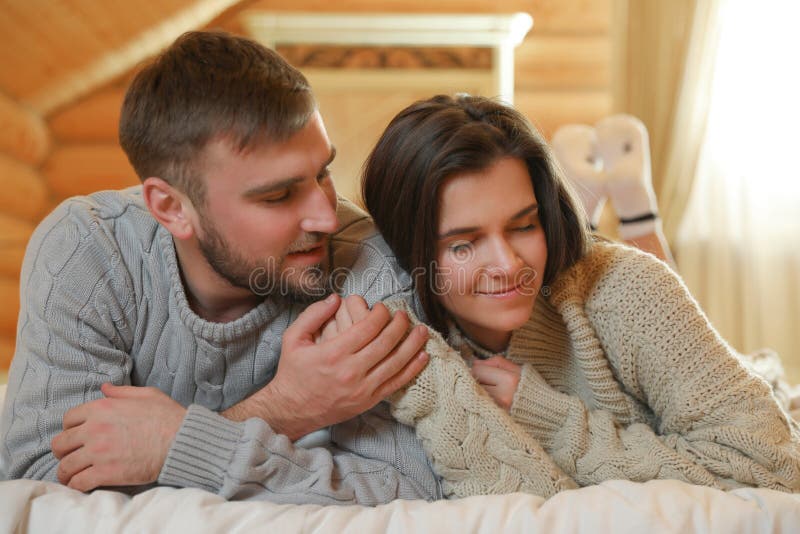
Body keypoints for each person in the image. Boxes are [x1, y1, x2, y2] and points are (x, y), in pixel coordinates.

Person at [0, 31, 442, 505]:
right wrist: (285, 410)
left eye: (323, 173)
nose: (326, 217)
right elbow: (42, 485)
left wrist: (174, 444)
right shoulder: (89, 250)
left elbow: (413, 490)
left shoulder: (368, 259)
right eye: (278, 195)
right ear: (171, 208)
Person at [357, 94, 800, 498]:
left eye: (525, 225)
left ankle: (635, 214)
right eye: (463, 244)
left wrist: (551, 420)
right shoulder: (402, 330)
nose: (509, 264)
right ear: (410, 249)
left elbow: (774, 467)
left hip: (757, 396)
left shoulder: (630, 288)